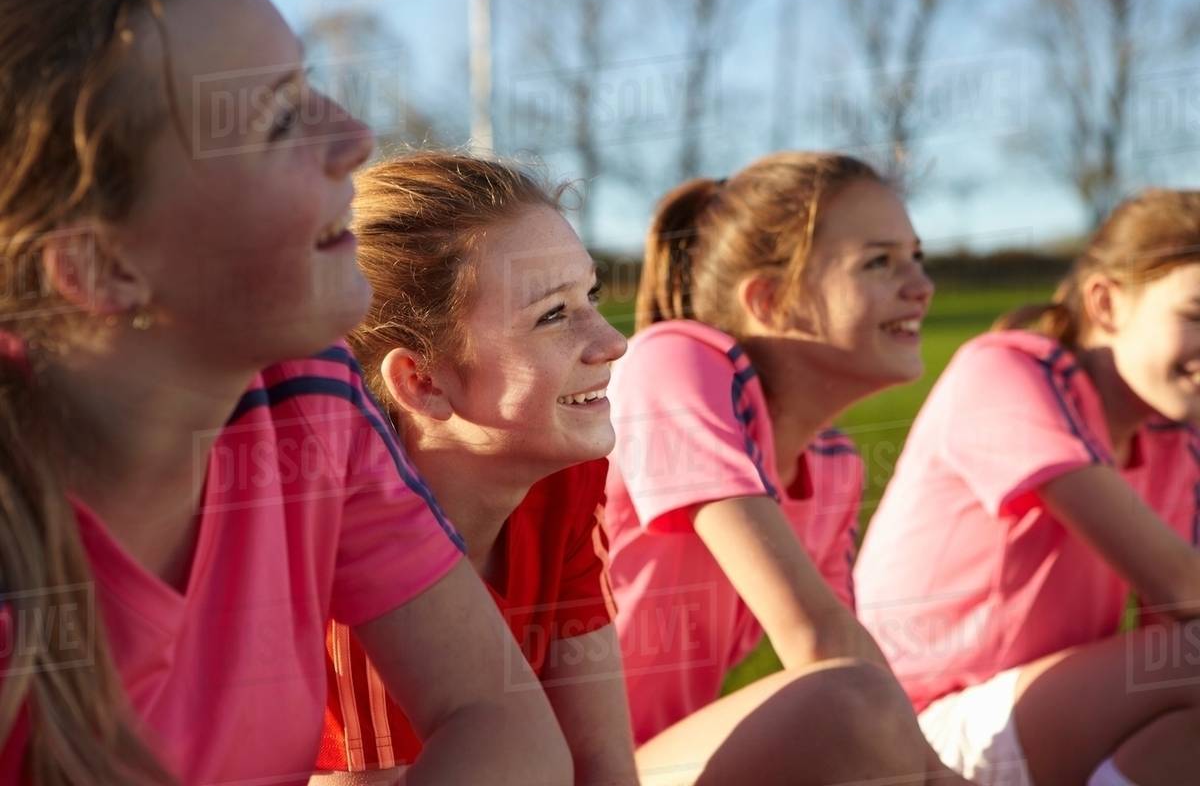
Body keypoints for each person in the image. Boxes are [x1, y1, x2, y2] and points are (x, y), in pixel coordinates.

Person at [0, 0, 571, 784]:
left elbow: (503, 722)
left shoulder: (308, 393)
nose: (354, 137)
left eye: (309, 88)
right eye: (276, 120)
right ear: (101, 266)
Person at [604, 151, 965, 785]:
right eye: (879, 262)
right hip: (554, 766)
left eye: (918, 257)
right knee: (850, 708)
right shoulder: (673, 363)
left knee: (855, 705)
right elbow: (816, 642)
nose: (922, 286)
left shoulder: (834, 465)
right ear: (768, 300)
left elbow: (842, 651)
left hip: (655, 762)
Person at [854, 189, 1200, 786]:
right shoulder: (1006, 372)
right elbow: (1179, 580)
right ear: (1106, 303)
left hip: (1025, 716)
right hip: (906, 733)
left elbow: (1173, 631)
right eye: (1195, 315)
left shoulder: (1175, 440)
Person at [313, 152, 638, 785]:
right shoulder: (351, 550)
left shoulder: (565, 483)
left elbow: (604, 768)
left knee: (844, 703)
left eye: (590, 295)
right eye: (553, 315)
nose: (612, 341)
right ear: (423, 381)